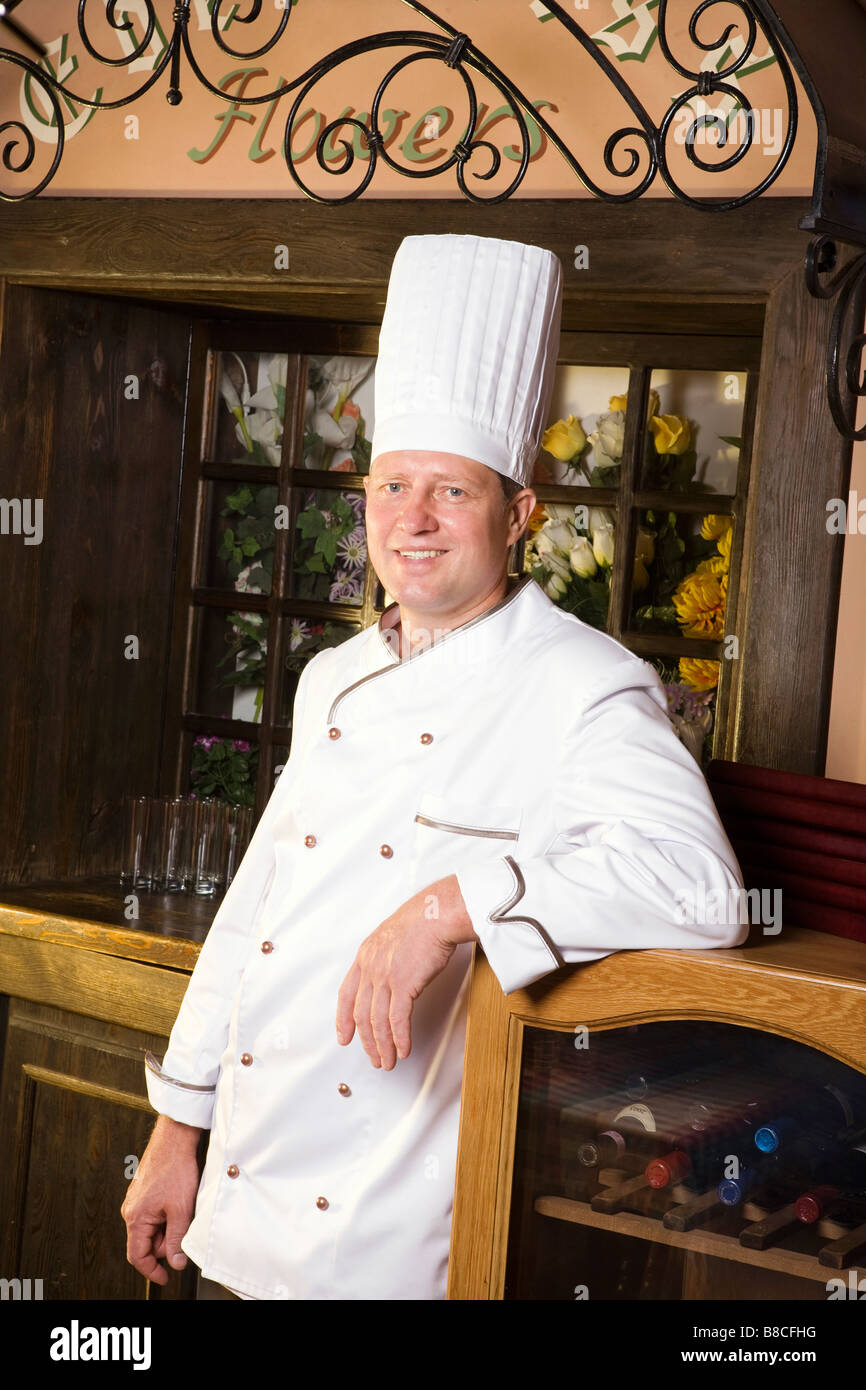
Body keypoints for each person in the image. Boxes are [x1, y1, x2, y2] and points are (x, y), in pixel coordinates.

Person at [121, 233, 747, 1301]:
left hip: (390, 1214)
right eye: (390, 485)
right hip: (253, 1175)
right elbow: (256, 906)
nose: (411, 520)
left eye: (450, 492)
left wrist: (446, 909)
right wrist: (179, 1125)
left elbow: (702, 891)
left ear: (520, 514)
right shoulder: (335, 675)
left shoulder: (580, 681)